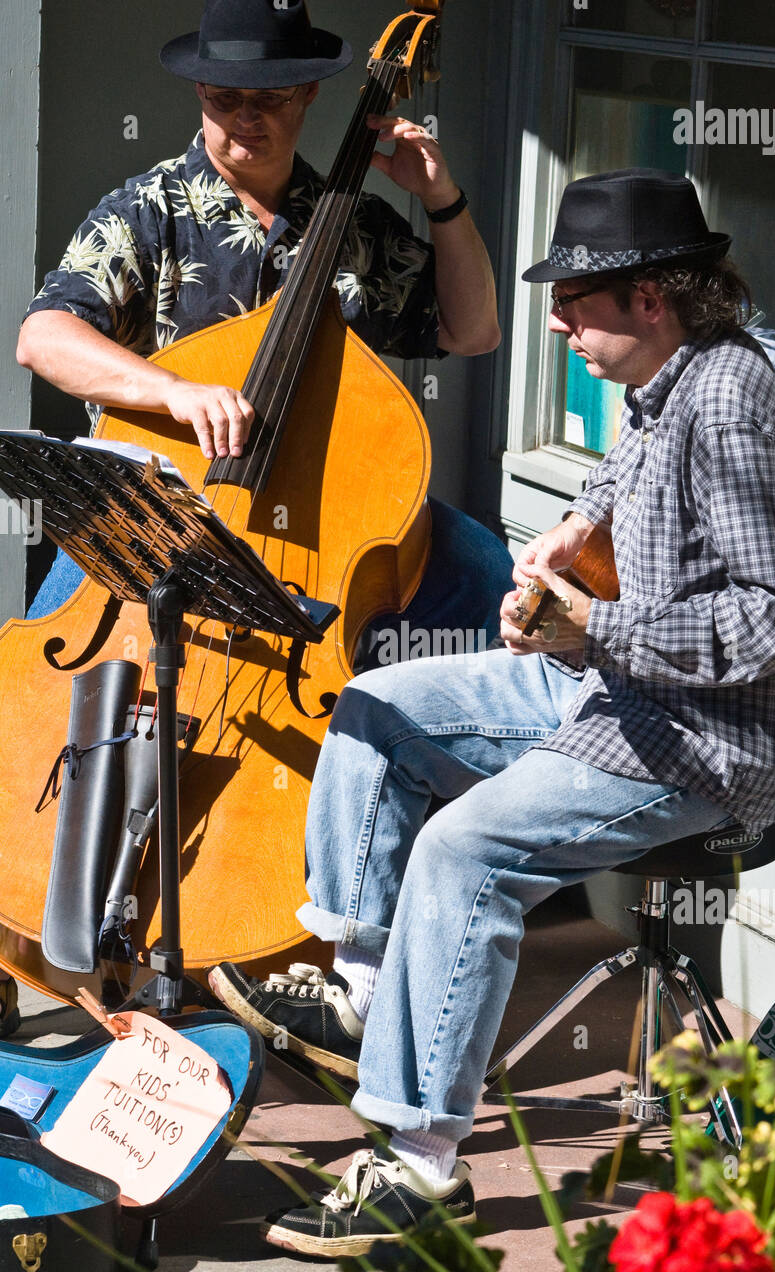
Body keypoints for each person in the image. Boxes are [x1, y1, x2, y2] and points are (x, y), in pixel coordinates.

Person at [210, 167, 775, 1256]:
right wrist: (554, 554)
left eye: (575, 298)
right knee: (372, 710)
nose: (553, 320)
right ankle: (366, 992)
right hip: (608, 687)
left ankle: (418, 1161)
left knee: (465, 847)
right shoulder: (662, 383)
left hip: (702, 741)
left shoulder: (731, 407)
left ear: (652, 296)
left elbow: (772, 621)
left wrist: (596, 633)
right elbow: (616, 490)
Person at [2, 0, 513, 1031]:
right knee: (37, 695)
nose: (248, 117)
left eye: (272, 98)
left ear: (309, 97)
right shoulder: (147, 209)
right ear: (198, 94)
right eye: (227, 96)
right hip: (149, 531)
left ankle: (379, 923)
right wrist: (167, 392)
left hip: (310, 540)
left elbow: (471, 329)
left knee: (491, 588)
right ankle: (36, 938)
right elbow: (43, 337)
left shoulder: (355, 225)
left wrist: (442, 200)